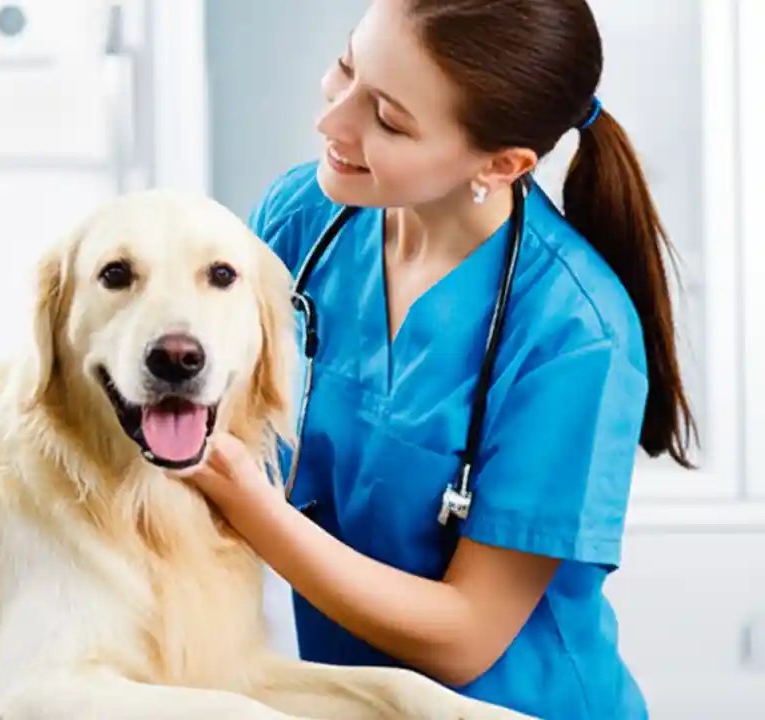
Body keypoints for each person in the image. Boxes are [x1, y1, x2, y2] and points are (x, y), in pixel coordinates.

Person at [171, 1, 697, 718]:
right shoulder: (301, 219)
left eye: (387, 118)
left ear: (502, 164)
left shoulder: (574, 332)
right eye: (347, 66)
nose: (333, 122)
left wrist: (246, 502)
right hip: (363, 701)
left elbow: (466, 636)